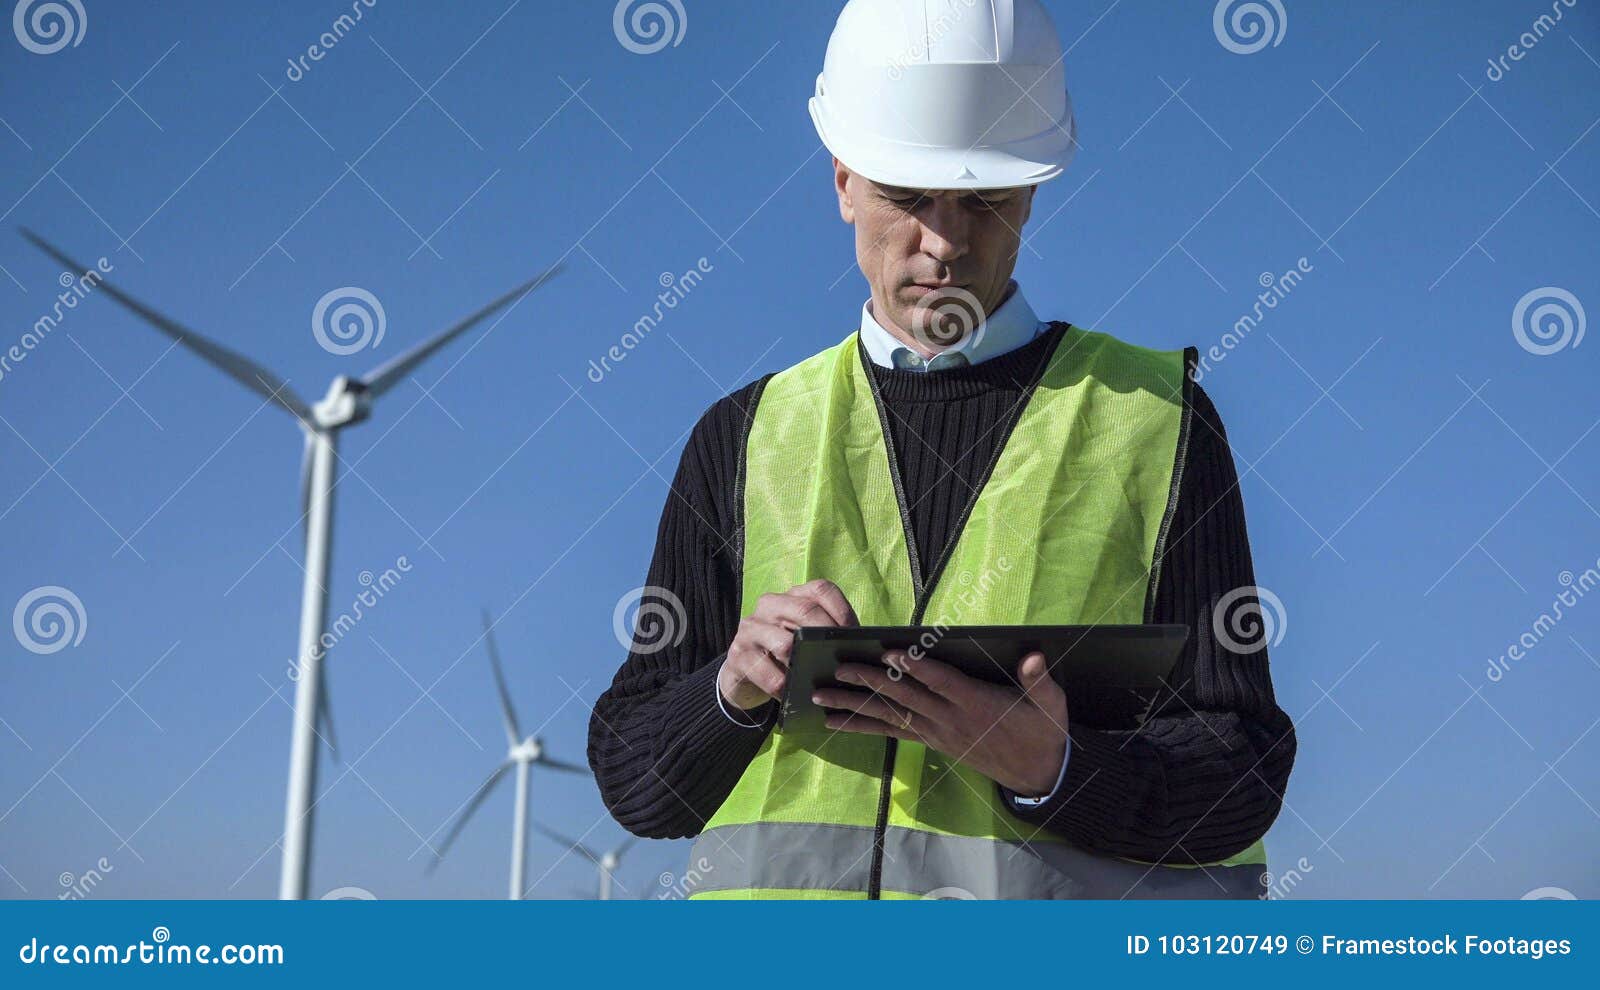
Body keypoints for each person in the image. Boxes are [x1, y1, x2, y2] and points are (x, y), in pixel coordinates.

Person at [588, 0, 1295, 899]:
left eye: (986, 201)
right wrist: (730, 688)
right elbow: (633, 779)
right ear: (844, 180)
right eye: (908, 197)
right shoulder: (741, 437)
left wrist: (1057, 768)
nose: (947, 242)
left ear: (1033, 190)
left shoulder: (1157, 422)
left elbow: (1242, 770)